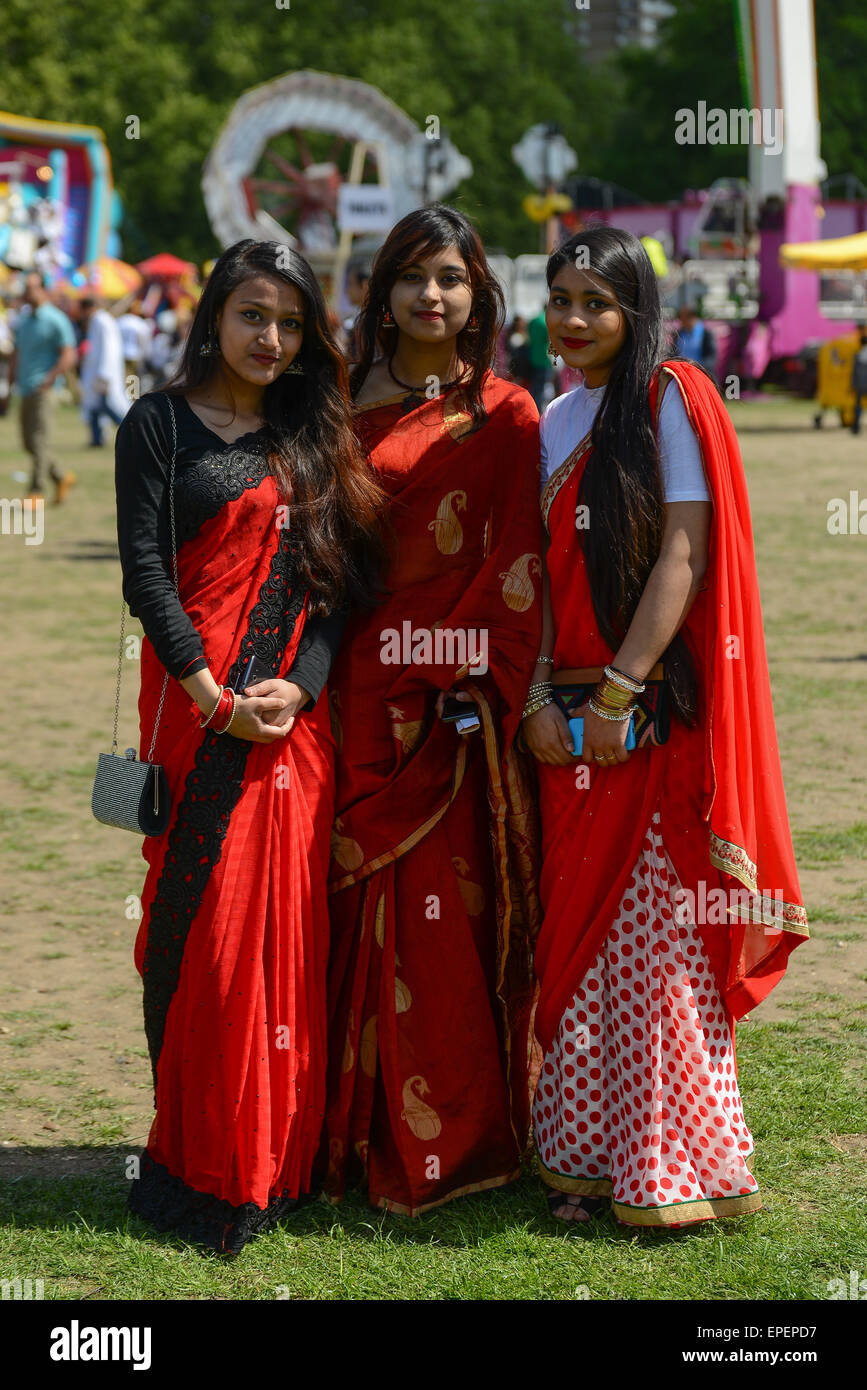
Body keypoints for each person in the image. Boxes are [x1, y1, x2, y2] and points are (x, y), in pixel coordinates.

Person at [522, 227, 808, 1229]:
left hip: (645, 712)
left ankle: (665, 1167)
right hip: (563, 719)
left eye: (595, 300)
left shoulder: (670, 400)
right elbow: (534, 577)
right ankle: (582, 1162)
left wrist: (617, 691)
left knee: (650, 943)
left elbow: (683, 557)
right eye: (560, 297)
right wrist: (537, 703)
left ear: (635, 311)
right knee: (580, 938)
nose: (573, 318)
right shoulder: (551, 418)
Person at [115, 239, 385, 1253]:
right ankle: (195, 1153)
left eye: (288, 322)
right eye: (251, 316)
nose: (270, 340)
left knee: (270, 953)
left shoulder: (312, 432)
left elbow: (337, 589)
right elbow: (147, 575)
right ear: (214, 317)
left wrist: (297, 691)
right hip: (197, 724)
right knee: (201, 946)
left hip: (286, 736)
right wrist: (213, 699)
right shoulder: (159, 425)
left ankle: (263, 1164)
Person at [323, 204, 544, 1216]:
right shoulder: (331, 402)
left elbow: (515, 561)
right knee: (338, 906)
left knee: (443, 922)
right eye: (413, 275)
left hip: (450, 704)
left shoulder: (504, 414)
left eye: (451, 277)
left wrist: (454, 675)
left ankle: (453, 1140)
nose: (431, 295)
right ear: (383, 290)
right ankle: (336, 1132)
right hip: (344, 691)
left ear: (477, 294)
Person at [11, 270, 77, 503]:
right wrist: (10, 386)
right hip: (25, 388)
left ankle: (35, 492)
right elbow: (16, 355)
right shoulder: (25, 320)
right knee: (29, 443)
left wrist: (50, 379)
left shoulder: (56, 319)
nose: (27, 292)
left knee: (40, 441)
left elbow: (69, 355)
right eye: (25, 288)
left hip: (45, 390)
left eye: (31, 287)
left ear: (43, 289)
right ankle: (60, 477)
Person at [79, 294, 130, 445]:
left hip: (103, 373)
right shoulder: (98, 320)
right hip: (97, 372)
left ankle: (129, 432)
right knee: (95, 407)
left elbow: (109, 349)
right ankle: (96, 439)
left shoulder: (101, 321)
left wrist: (104, 374)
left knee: (108, 406)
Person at [674, 302, 717, 380]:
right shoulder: (678, 334)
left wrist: (696, 369)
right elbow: (673, 354)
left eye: (684, 317)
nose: (681, 320)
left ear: (693, 317)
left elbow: (711, 358)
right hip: (683, 376)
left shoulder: (706, 334)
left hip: (702, 376)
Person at [118, 301, 153, 385]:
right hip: (136, 355)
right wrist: (146, 356)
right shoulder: (140, 323)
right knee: (133, 383)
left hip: (121, 354)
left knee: (122, 381)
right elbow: (145, 341)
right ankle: (132, 397)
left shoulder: (120, 320)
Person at [526, 307, 552, 409]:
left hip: (532, 358)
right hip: (544, 360)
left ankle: (531, 407)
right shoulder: (547, 322)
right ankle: (538, 410)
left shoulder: (534, 321)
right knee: (542, 389)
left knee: (533, 387)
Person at [850, 329, 867, 435]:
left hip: (860, 384)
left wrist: (853, 385)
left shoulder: (859, 354)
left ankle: (855, 426)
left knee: (858, 406)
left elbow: (854, 372)